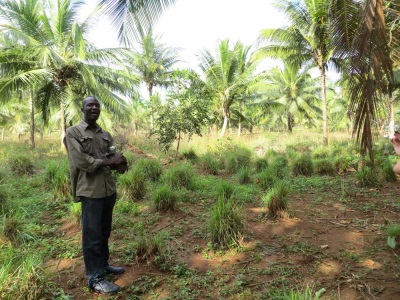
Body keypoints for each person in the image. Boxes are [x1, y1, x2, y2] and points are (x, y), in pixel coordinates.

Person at [64, 96, 128, 294]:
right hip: (90, 192)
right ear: (82, 109)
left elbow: (110, 157)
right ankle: (95, 278)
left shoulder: (105, 134)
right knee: (91, 236)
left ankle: (103, 265)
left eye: (97, 105)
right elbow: (81, 161)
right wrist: (109, 162)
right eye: (90, 105)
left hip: (108, 190)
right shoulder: (73, 132)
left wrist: (120, 163)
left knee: (103, 232)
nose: (94, 108)